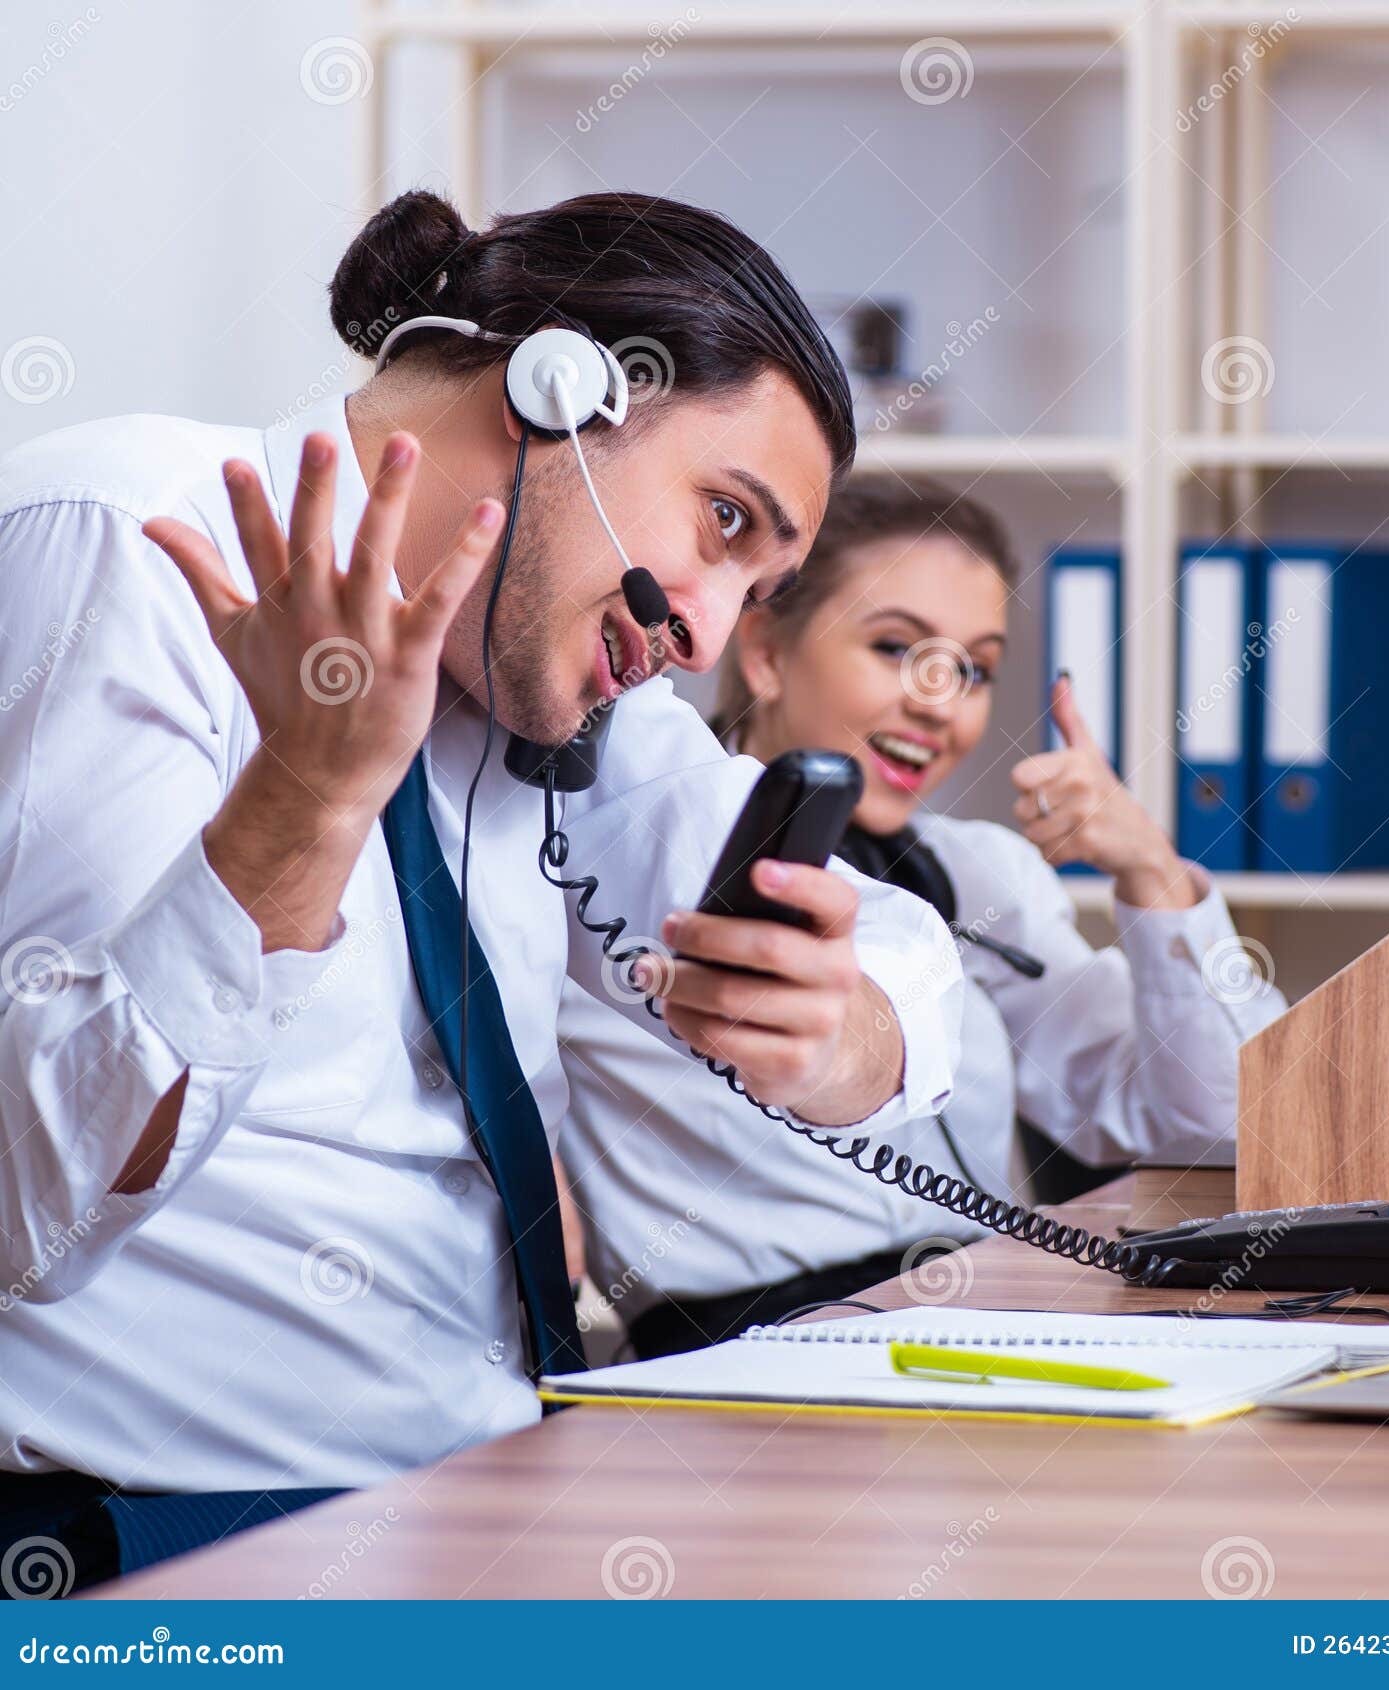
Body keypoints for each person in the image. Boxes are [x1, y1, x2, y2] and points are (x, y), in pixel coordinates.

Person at [0, 191, 963, 1591]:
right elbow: (27, 1193)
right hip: (170, 1543)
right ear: (555, 386)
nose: (698, 629)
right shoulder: (127, 536)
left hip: (487, 1502)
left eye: (760, 587)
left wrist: (848, 1026)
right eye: (722, 519)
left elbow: (904, 952)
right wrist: (307, 803)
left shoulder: (560, 694)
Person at [557, 478, 1289, 1359]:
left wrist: (1155, 872)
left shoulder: (978, 874)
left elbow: (1217, 1120)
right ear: (765, 653)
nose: (940, 699)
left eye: (973, 666)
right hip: (753, 1353)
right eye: (895, 646)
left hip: (984, 1322)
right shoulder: (621, 849)